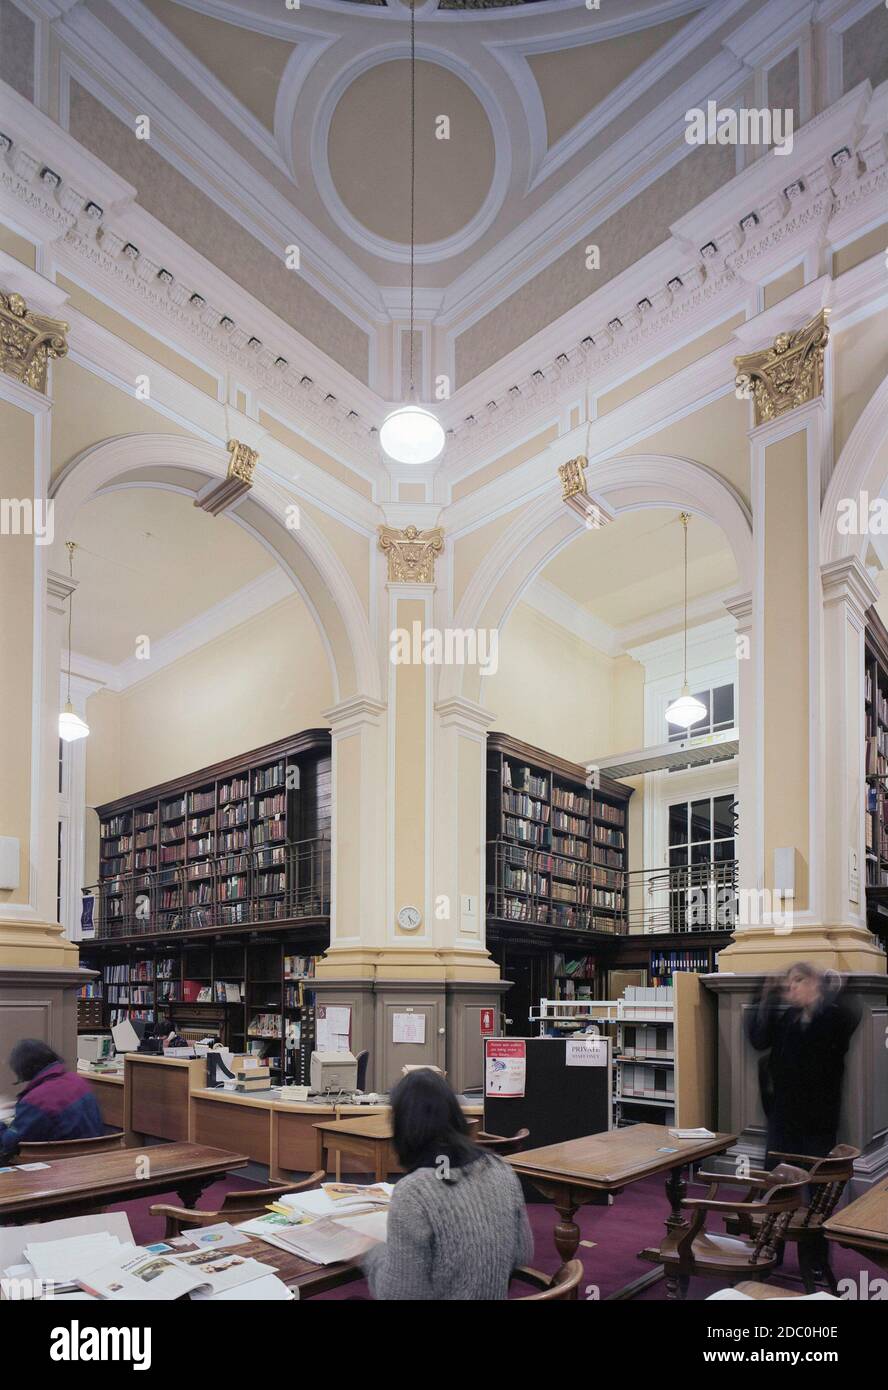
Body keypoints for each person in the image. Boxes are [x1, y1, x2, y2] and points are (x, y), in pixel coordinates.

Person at [362, 1069, 532, 1300]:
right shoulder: (500, 1167)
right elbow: (523, 1253)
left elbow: (399, 1294)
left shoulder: (414, 1193)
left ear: (403, 1125)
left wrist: (371, 1254)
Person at [747, 963, 860, 1165]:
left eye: (799, 980)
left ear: (814, 982)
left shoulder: (833, 1017)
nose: (792, 987)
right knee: (777, 1183)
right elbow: (759, 1040)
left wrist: (822, 994)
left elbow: (853, 1013)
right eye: (789, 983)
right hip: (782, 1116)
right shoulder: (788, 1018)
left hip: (817, 1119)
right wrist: (765, 995)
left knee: (816, 1180)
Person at [0, 1040, 104, 1159]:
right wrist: (20, 1106)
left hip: (59, 1165)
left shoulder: (36, 1101)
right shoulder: (78, 1081)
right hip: (93, 1158)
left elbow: (8, 1144)